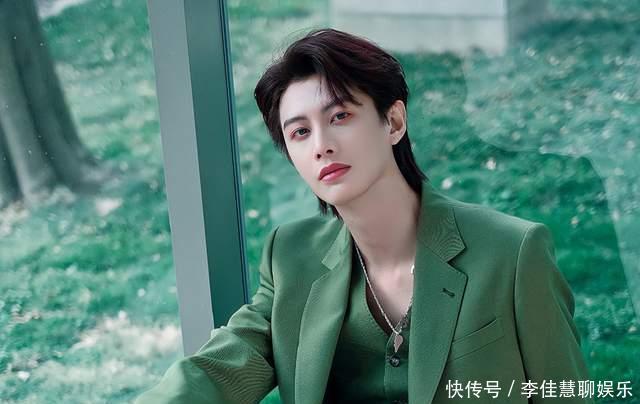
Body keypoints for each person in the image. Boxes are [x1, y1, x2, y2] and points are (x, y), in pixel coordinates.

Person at [135, 28, 593, 404]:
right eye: (300, 132)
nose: (321, 145)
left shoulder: (512, 253)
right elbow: (222, 368)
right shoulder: (290, 257)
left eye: (340, 116)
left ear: (393, 122)